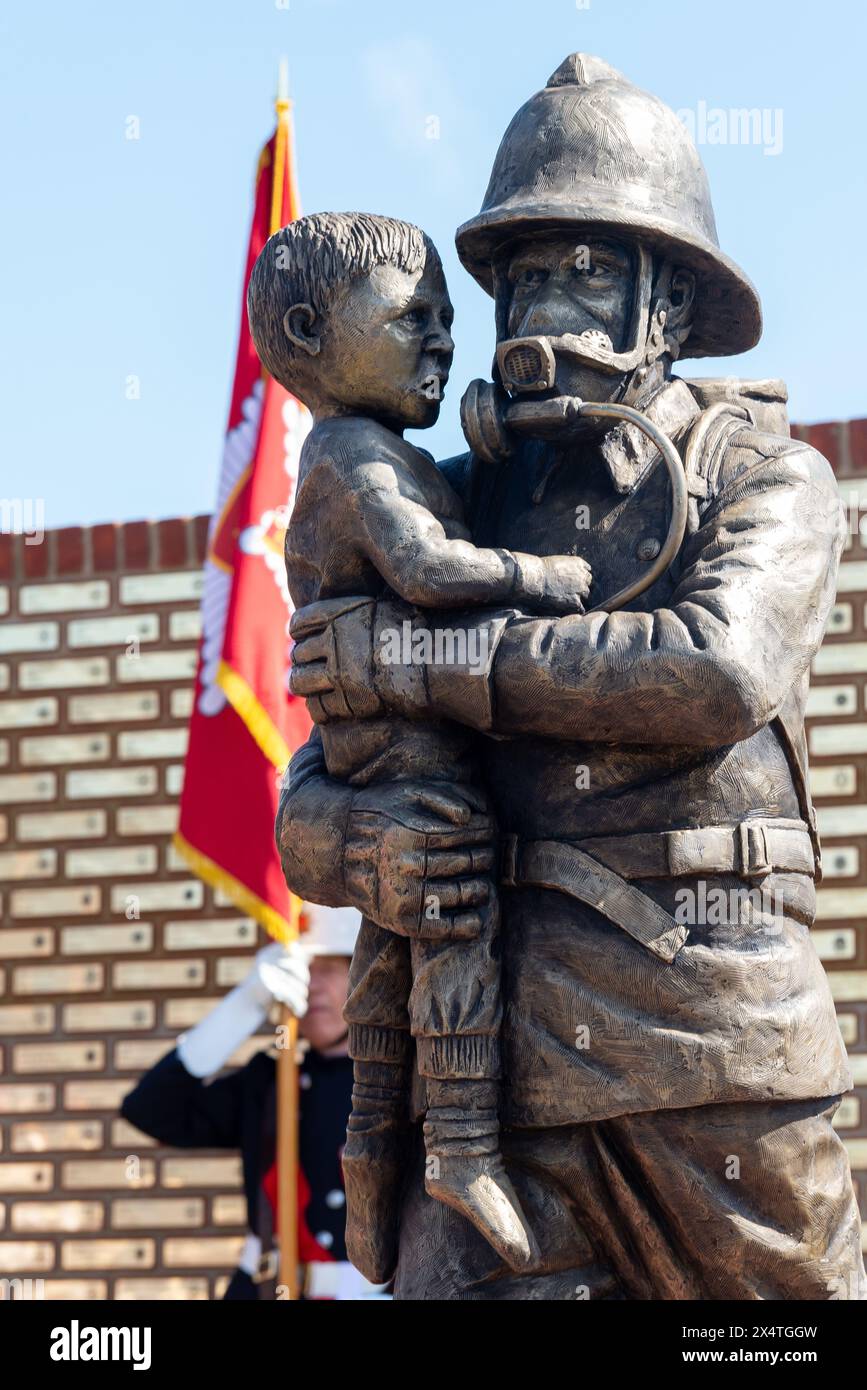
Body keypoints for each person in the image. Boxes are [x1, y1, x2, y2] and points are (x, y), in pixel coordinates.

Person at [278, 54, 867, 1300]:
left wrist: (440, 660)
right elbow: (314, 789)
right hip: (488, 1084)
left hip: (714, 1055)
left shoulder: (766, 478)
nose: (546, 302)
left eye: (587, 267)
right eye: (523, 274)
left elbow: (713, 669)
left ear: (667, 302)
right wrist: (360, 844)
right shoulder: (441, 506)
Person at [246, 211, 593, 1278]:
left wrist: (482, 444)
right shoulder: (350, 456)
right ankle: (463, 1148)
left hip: (390, 743)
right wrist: (541, 580)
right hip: (404, 758)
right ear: (312, 331)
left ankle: (369, 1160)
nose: (445, 340)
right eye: (413, 320)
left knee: (388, 957)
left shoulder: (380, 453)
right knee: (452, 916)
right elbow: (434, 566)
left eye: (449, 319)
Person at [120, 903, 384, 1300]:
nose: (312, 985)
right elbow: (151, 1109)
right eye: (302, 969)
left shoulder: (399, 1085)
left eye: (329, 967)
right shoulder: (269, 1080)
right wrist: (245, 1005)